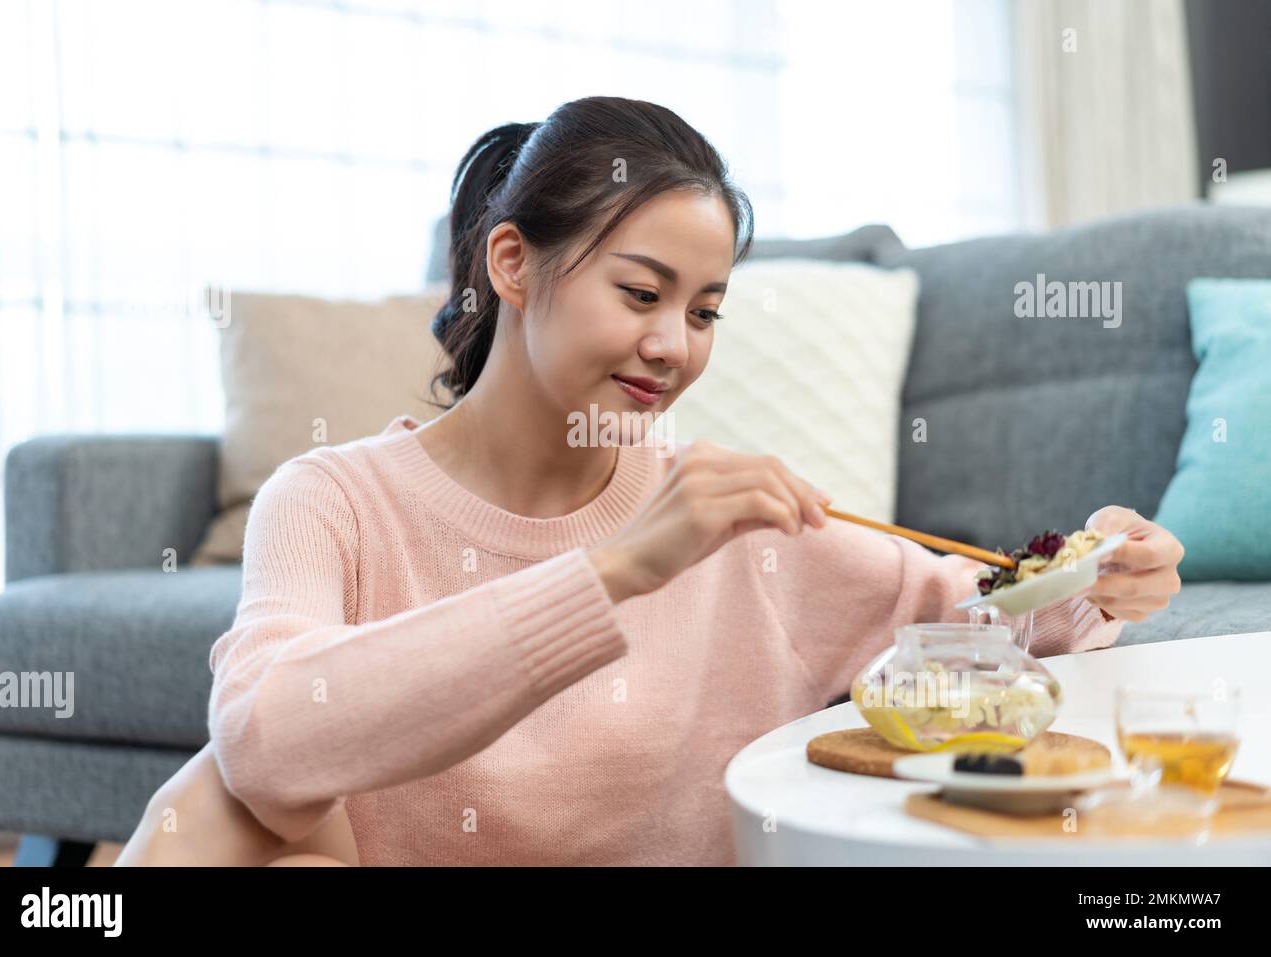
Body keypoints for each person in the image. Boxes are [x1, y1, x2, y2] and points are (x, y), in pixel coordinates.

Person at [116, 96, 1183, 867]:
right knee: (223, 798)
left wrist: (1095, 576)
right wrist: (620, 568)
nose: (674, 345)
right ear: (512, 265)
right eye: (641, 293)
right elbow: (262, 743)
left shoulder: (735, 523)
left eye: (707, 311)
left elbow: (976, 614)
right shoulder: (332, 499)